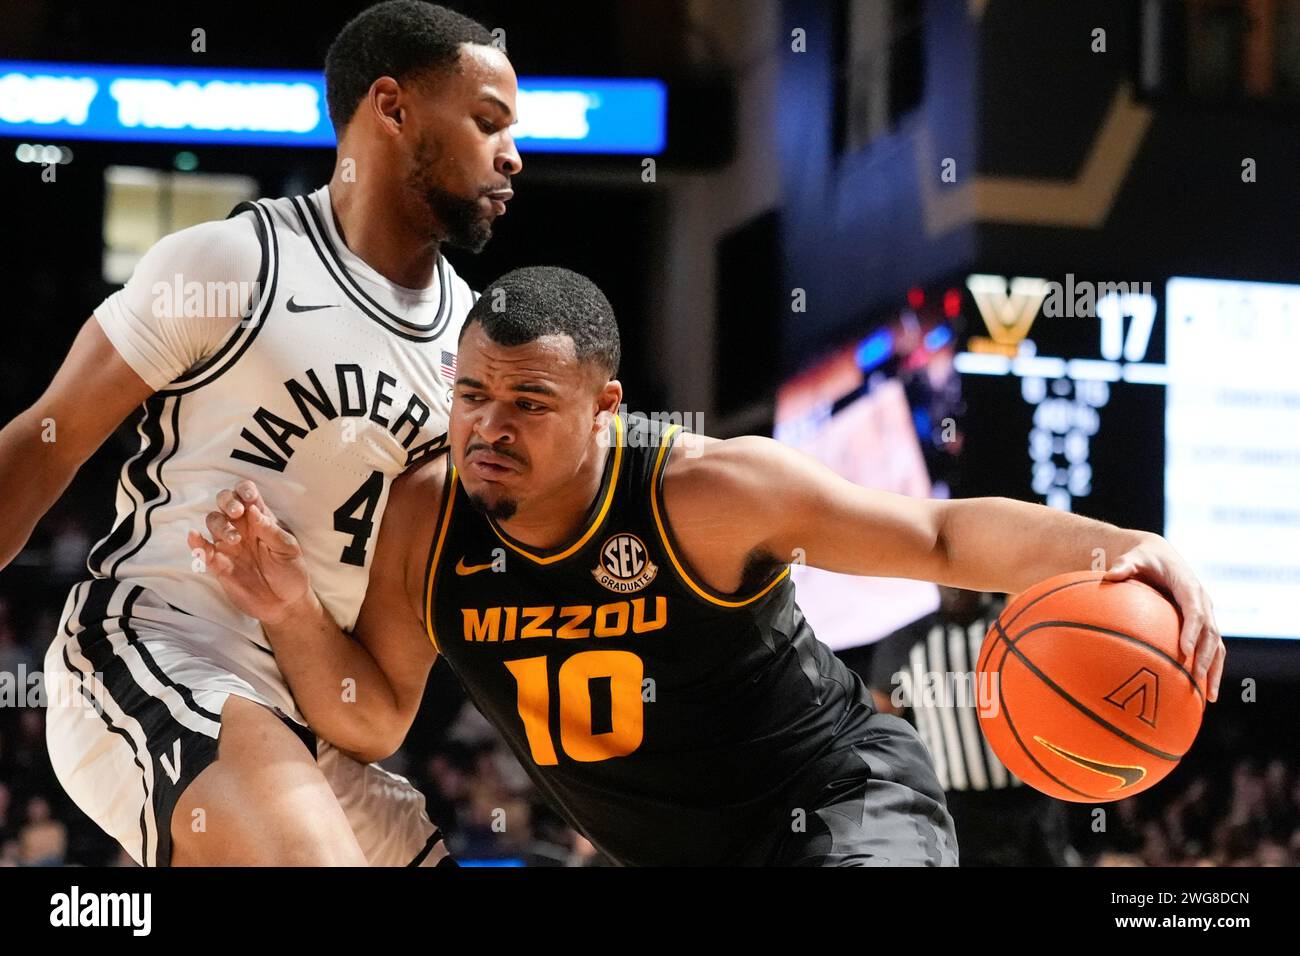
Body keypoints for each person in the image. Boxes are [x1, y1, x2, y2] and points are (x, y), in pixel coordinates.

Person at [188, 266, 1226, 866]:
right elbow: (372, 717)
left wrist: (1122, 545)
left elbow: (942, 537)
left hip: (837, 803)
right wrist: (287, 607)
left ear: (605, 408)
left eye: (529, 403)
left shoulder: (707, 490)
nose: (487, 428)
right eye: (471, 395)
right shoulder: (426, 515)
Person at [0, 1, 522, 866]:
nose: (512, 154)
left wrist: (294, 605)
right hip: (155, 646)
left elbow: (382, 707)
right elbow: (46, 445)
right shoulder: (232, 265)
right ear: (390, 109)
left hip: (311, 723)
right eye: (488, 121)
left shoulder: (475, 354)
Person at [868, 586, 1072, 865]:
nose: (955, 586)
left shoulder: (1023, 628)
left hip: (1032, 796)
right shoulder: (905, 641)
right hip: (959, 807)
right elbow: (879, 725)